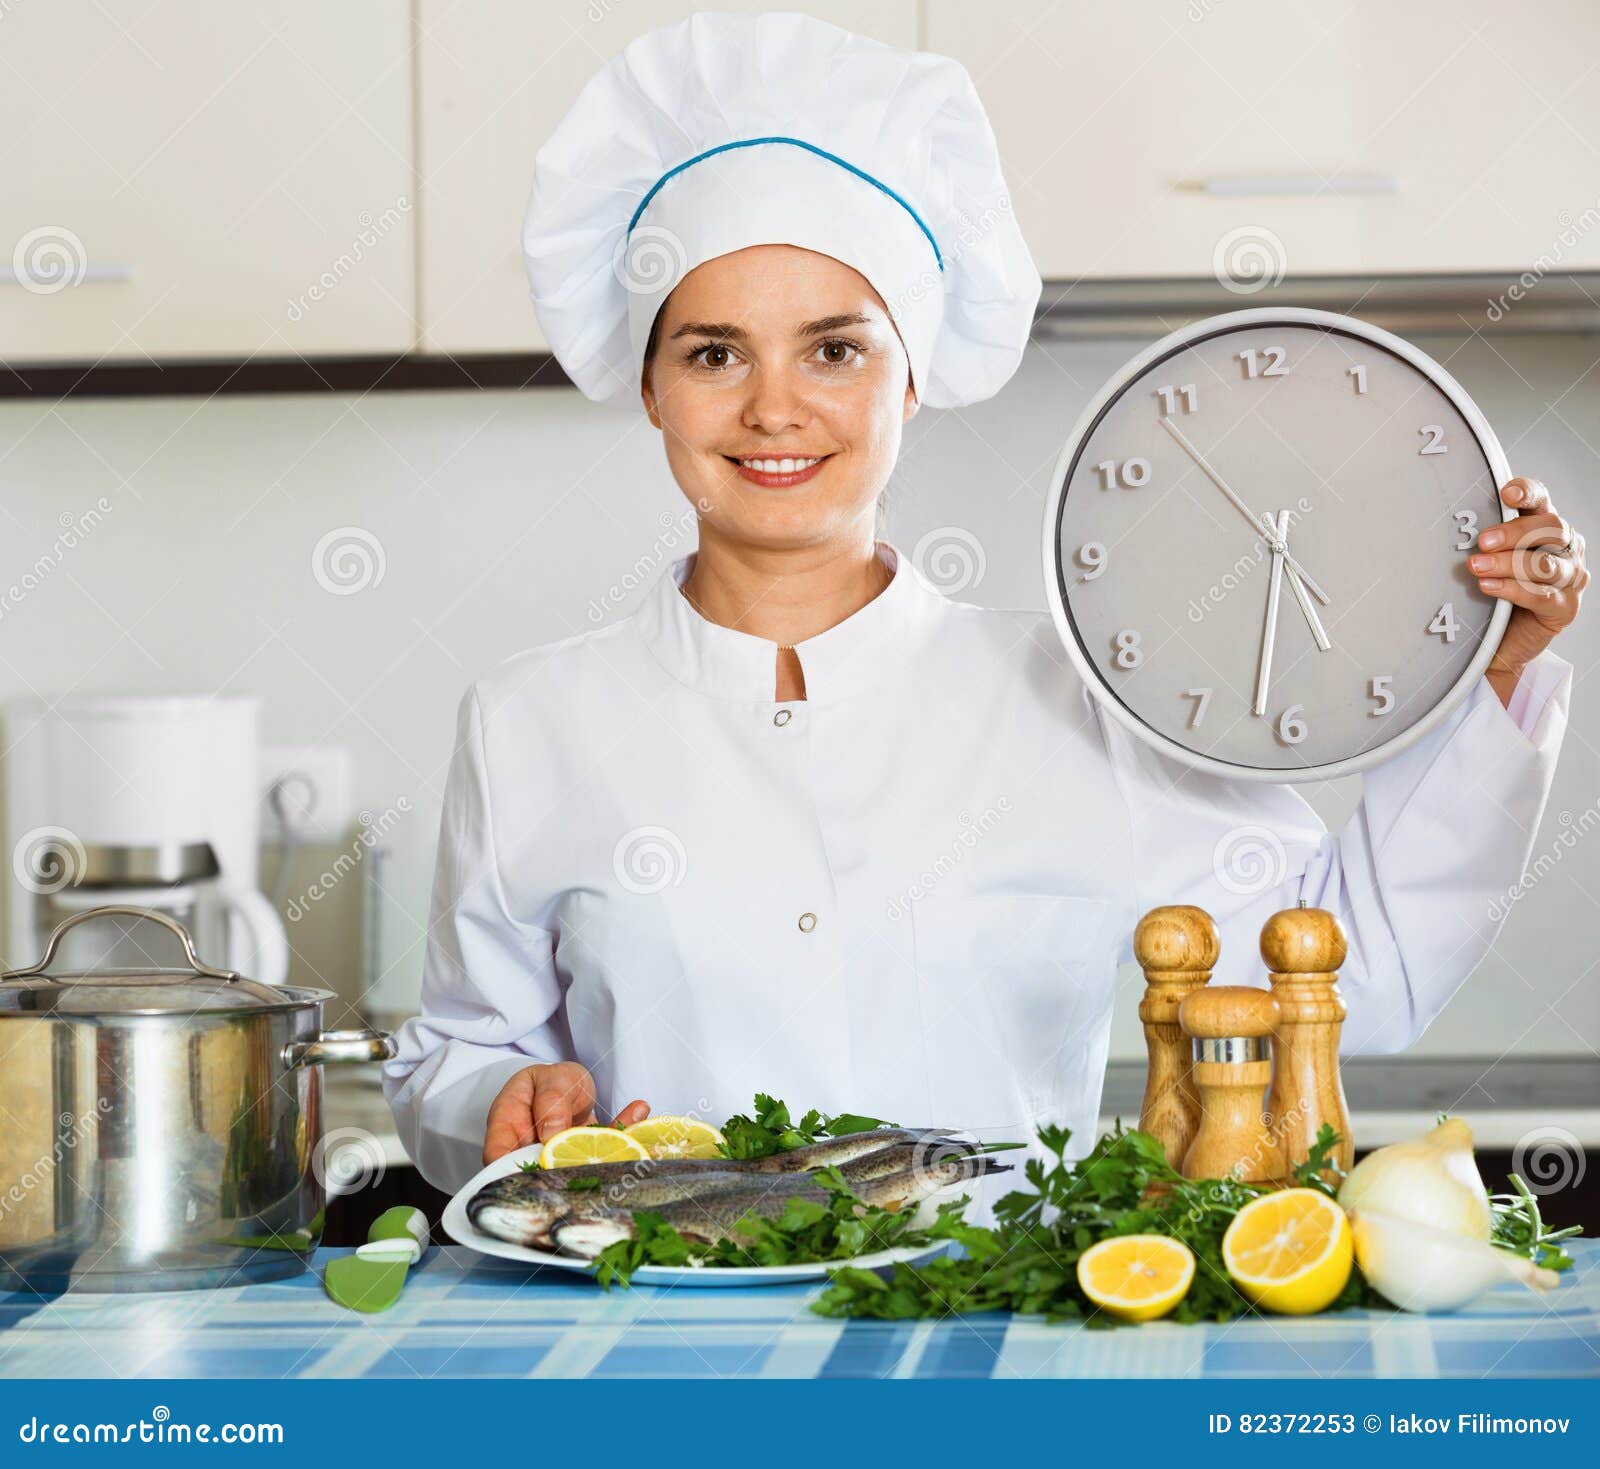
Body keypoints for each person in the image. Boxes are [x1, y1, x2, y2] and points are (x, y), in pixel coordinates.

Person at [382, 12, 1583, 1197]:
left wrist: (1493, 669)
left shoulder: (1078, 696)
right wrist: (490, 1100)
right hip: (657, 1350)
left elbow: (1345, 973)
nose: (773, 407)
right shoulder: (530, 717)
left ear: (914, 378)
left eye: (835, 349)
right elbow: (460, 1049)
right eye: (713, 353)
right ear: (650, 386)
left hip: (991, 1335)